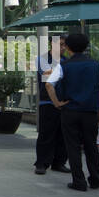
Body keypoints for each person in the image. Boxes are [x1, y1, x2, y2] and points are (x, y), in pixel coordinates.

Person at [45, 33, 99, 191]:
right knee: (91, 145)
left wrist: (57, 103)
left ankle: (79, 181)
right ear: (86, 47)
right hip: (90, 111)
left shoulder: (64, 66)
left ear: (68, 47)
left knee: (72, 146)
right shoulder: (96, 65)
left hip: (70, 110)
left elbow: (49, 85)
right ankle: (95, 179)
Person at [33, 35, 70, 176]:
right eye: (60, 44)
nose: (62, 48)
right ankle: (41, 163)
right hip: (47, 102)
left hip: (65, 102)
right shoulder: (42, 59)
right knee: (46, 134)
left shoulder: (67, 61)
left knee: (63, 135)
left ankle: (59, 162)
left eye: (64, 45)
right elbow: (47, 75)